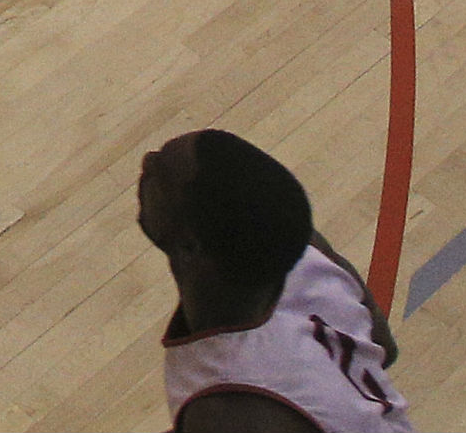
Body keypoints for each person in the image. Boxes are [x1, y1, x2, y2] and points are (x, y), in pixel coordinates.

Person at [137, 131, 417, 429]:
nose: (147, 160)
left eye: (159, 175)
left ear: (189, 247)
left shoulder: (227, 410)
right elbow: (383, 345)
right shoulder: (305, 252)